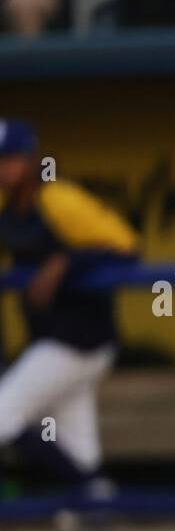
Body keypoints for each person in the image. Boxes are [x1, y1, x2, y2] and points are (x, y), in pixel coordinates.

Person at [0, 118, 137, 501]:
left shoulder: (60, 199)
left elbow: (127, 248)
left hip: (79, 340)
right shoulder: (5, 206)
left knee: (3, 419)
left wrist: (65, 261)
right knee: (79, 449)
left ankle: (90, 490)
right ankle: (92, 498)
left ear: (30, 158)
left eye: (11, 158)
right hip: (53, 338)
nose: (4, 168)